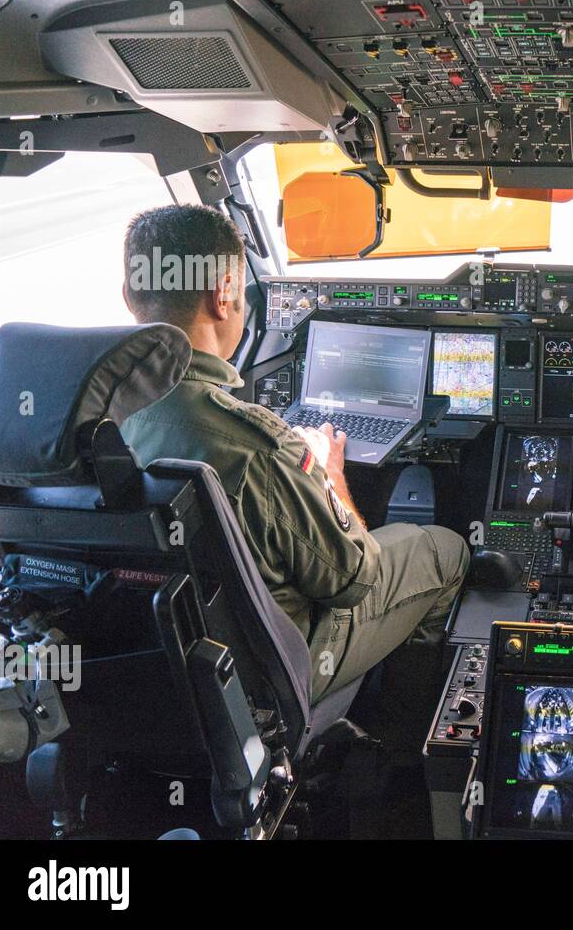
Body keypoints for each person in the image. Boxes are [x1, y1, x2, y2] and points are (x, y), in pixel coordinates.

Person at [118, 204, 468, 754]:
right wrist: (330, 477)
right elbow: (354, 580)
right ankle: (399, 739)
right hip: (268, 666)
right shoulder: (254, 445)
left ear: (130, 295)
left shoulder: (86, 420)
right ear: (224, 294)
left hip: (142, 664)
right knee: (445, 550)